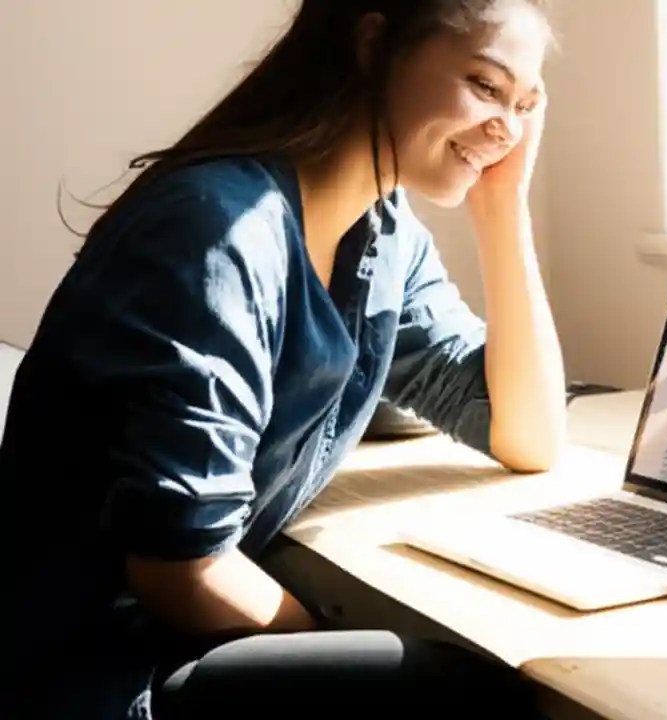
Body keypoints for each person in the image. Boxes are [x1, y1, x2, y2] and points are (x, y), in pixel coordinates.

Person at [0, 0, 566, 717]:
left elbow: (526, 433)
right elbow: (180, 568)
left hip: (163, 641)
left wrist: (504, 205)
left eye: (526, 103)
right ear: (372, 43)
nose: (507, 126)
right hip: (89, 676)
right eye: (486, 86)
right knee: (472, 693)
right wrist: (332, 642)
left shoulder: (383, 236)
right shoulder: (217, 232)